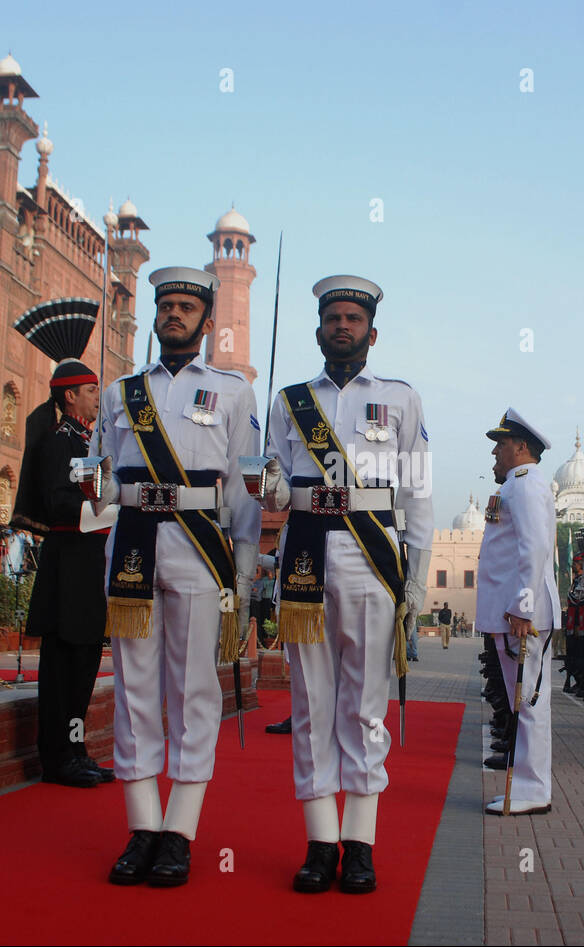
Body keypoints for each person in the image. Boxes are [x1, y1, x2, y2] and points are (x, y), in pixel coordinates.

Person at [254, 274, 432, 893]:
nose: (343, 326)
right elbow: (269, 477)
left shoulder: (402, 399)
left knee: (363, 708)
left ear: (372, 332)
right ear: (319, 328)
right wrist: (270, 486)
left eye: (353, 318)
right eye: (333, 317)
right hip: (305, 551)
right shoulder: (288, 401)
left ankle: (361, 841)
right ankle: (319, 841)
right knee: (311, 706)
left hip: (372, 557)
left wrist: (415, 579)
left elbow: (418, 497)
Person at [89, 266, 261, 887]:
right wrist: (89, 488)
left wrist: (243, 571)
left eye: (187, 306)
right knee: (134, 692)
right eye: (166, 305)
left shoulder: (234, 392)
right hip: (133, 541)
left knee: (192, 692)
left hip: (200, 548)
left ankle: (180, 830)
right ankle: (141, 826)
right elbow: (106, 481)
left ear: (207, 321)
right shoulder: (120, 391)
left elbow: (245, 488)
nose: (173, 314)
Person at [22, 358, 117, 790]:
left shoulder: (87, 440)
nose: (98, 397)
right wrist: (111, 513)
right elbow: (58, 503)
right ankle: (58, 758)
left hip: (88, 563)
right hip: (68, 566)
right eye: (92, 390)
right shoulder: (61, 441)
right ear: (70, 396)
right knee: (63, 670)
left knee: (84, 667)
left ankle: (77, 751)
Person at [478, 408, 559, 816]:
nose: (495, 451)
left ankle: (532, 789)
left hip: (520, 614)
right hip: (514, 612)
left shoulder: (525, 487)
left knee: (527, 700)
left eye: (502, 444)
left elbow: (533, 549)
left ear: (521, 447)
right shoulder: (516, 485)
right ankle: (528, 785)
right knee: (522, 700)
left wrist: (522, 608)